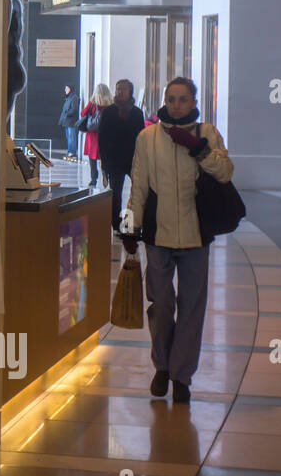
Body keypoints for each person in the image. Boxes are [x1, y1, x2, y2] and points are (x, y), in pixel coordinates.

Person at [121, 76, 234, 404]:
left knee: (192, 308)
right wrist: (130, 226)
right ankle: (162, 366)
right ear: (164, 100)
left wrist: (199, 150)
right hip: (159, 235)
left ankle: (182, 375)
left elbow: (225, 172)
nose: (176, 105)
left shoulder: (207, 134)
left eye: (183, 99)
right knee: (161, 305)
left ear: (194, 102)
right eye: (171, 99)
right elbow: (138, 186)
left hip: (197, 235)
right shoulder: (148, 137)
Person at [97, 79, 145, 230]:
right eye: (118, 89)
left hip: (132, 158)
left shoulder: (136, 113)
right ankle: (116, 225)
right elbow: (102, 137)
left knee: (137, 191)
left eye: (123, 89)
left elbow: (141, 137)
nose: (120, 92)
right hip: (114, 159)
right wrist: (104, 161)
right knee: (115, 194)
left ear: (130, 91)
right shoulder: (109, 111)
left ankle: (132, 223)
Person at [79, 83, 112, 188]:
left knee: (92, 158)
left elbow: (82, 114)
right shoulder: (110, 104)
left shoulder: (92, 103)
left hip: (92, 135)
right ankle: (105, 172)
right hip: (105, 134)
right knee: (104, 156)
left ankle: (93, 179)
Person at [58, 84, 81, 161]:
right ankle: (69, 152)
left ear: (70, 89)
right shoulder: (68, 98)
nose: (65, 90)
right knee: (69, 137)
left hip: (71, 121)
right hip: (66, 121)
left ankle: (72, 152)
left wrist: (67, 114)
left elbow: (74, 109)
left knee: (71, 138)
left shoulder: (74, 98)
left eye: (66, 88)